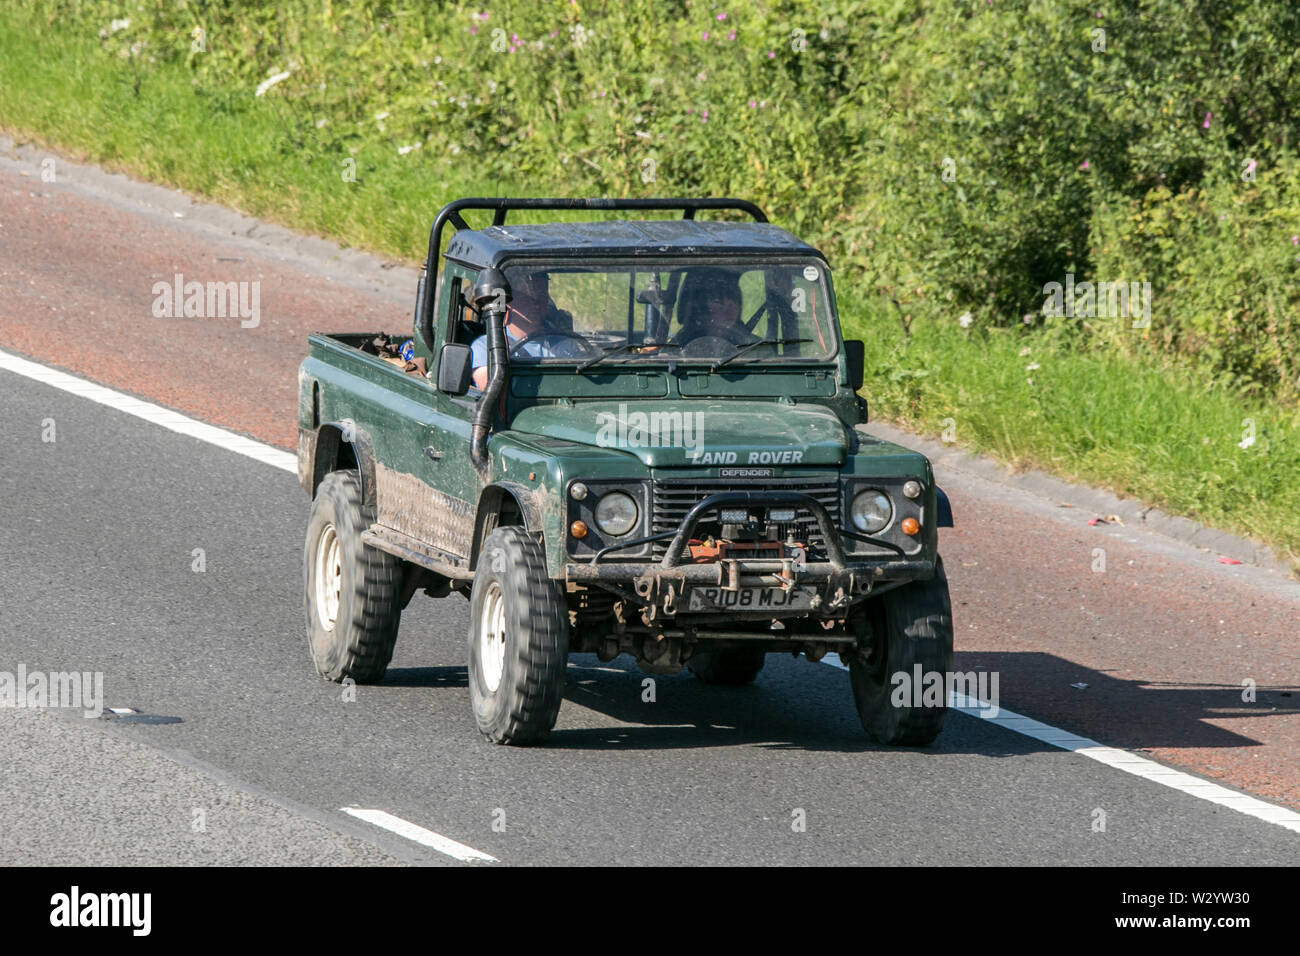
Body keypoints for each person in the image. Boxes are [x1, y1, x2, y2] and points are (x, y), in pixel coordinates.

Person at [470, 270, 577, 390]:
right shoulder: (485, 346)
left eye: (542, 296)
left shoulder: (563, 344)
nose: (537, 303)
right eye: (529, 296)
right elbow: (494, 392)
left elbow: (576, 386)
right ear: (509, 302)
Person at [671, 268, 760, 349]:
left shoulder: (756, 347)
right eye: (718, 301)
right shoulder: (676, 348)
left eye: (734, 300)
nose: (729, 308)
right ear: (701, 306)